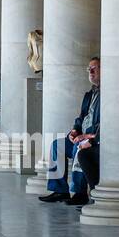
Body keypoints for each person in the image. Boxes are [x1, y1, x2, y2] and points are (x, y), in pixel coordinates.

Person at [39, 57, 100, 206]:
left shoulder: (107, 95)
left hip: (94, 138)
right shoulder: (89, 95)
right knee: (57, 145)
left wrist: (89, 137)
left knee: (79, 148)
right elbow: (81, 118)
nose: (91, 72)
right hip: (81, 135)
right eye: (89, 69)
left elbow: (105, 123)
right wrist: (74, 130)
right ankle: (60, 190)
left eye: (95, 68)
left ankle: (80, 193)